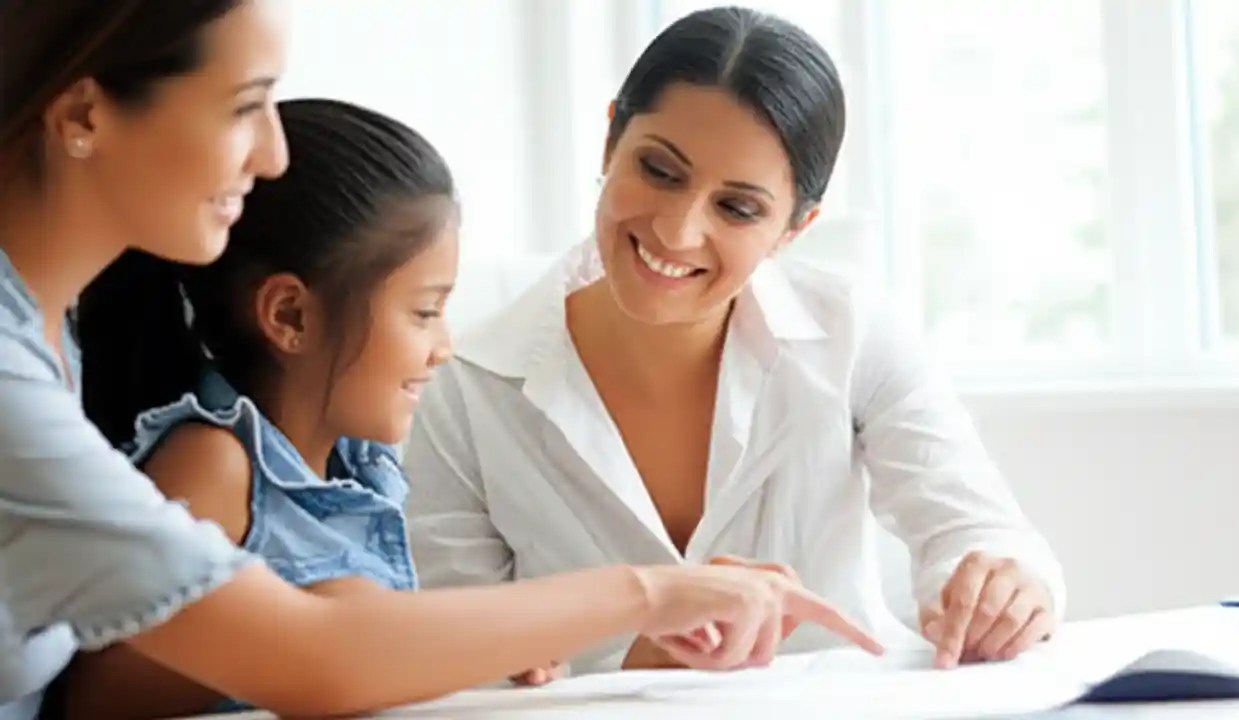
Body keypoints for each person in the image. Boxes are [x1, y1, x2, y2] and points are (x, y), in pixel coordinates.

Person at [0, 3, 879, 718]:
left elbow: (345, 643)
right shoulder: (109, 421)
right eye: (245, 104)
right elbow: (313, 654)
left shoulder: (58, 345)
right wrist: (652, 593)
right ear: (83, 115)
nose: (272, 152)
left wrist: (459, 646)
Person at [405, 5, 1066, 676]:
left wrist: (1002, 587)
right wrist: (638, 657)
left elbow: (974, 527)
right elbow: (453, 669)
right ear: (611, 144)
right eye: (660, 170)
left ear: (793, 228)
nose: (677, 231)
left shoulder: (854, 334)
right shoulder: (464, 389)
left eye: (738, 208)